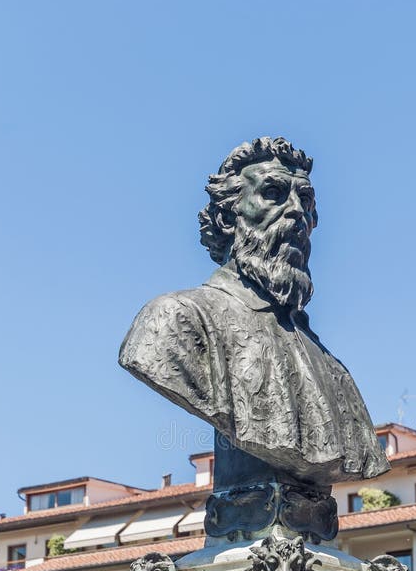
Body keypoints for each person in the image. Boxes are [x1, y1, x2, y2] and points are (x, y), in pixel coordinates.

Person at [119, 137, 388, 491]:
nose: (297, 212)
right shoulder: (176, 319)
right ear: (226, 218)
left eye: (305, 200)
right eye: (274, 194)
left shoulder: (332, 368)